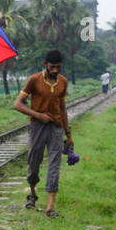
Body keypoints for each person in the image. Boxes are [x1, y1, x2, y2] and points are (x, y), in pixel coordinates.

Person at [13, 49, 72, 217]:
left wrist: (68, 135)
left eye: (58, 67)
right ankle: (32, 194)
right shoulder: (34, 80)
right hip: (38, 127)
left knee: (54, 165)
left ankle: (50, 207)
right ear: (45, 64)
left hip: (56, 128)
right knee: (34, 163)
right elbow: (17, 104)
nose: (55, 70)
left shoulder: (63, 82)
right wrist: (39, 115)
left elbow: (62, 108)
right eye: (52, 67)